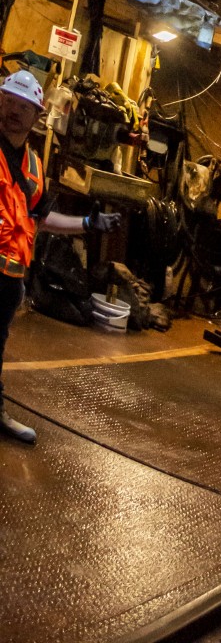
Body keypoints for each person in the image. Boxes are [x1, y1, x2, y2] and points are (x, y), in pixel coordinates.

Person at [0, 66, 118, 446]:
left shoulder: (33, 165)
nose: (12, 110)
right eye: (7, 101)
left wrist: (88, 222)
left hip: (9, 278)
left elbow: (43, 217)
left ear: (37, 116)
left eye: (22, 106)